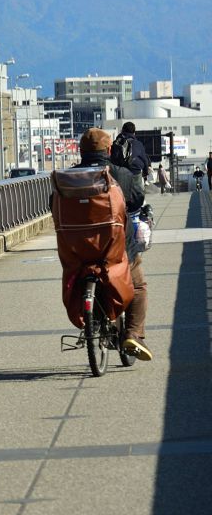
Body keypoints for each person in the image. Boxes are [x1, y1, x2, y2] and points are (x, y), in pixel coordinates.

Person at [74, 127, 151, 360]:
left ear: (81, 151)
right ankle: (133, 334)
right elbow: (137, 199)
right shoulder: (122, 174)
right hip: (116, 247)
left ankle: (94, 316)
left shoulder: (69, 177)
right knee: (138, 286)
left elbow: (53, 205)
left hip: (79, 248)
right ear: (109, 150)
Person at [111, 122, 149, 198]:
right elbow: (145, 160)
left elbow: (112, 159)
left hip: (121, 172)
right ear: (134, 132)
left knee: (121, 195)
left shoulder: (116, 143)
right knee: (138, 195)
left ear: (122, 131)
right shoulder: (138, 144)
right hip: (135, 171)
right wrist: (145, 174)